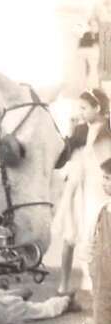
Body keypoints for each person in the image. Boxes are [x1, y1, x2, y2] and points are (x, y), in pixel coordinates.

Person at [53, 89, 111, 304]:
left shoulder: (108, 128)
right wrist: (69, 133)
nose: (80, 112)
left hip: (100, 186)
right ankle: (64, 284)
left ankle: (98, 286)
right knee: (70, 235)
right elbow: (64, 156)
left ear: (97, 107)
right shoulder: (79, 130)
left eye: (84, 108)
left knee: (97, 235)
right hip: (80, 187)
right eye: (79, 108)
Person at [88, 156, 111, 324]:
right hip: (103, 278)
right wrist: (92, 269)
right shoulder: (102, 211)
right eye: (105, 178)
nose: (106, 183)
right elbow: (92, 243)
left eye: (110, 179)